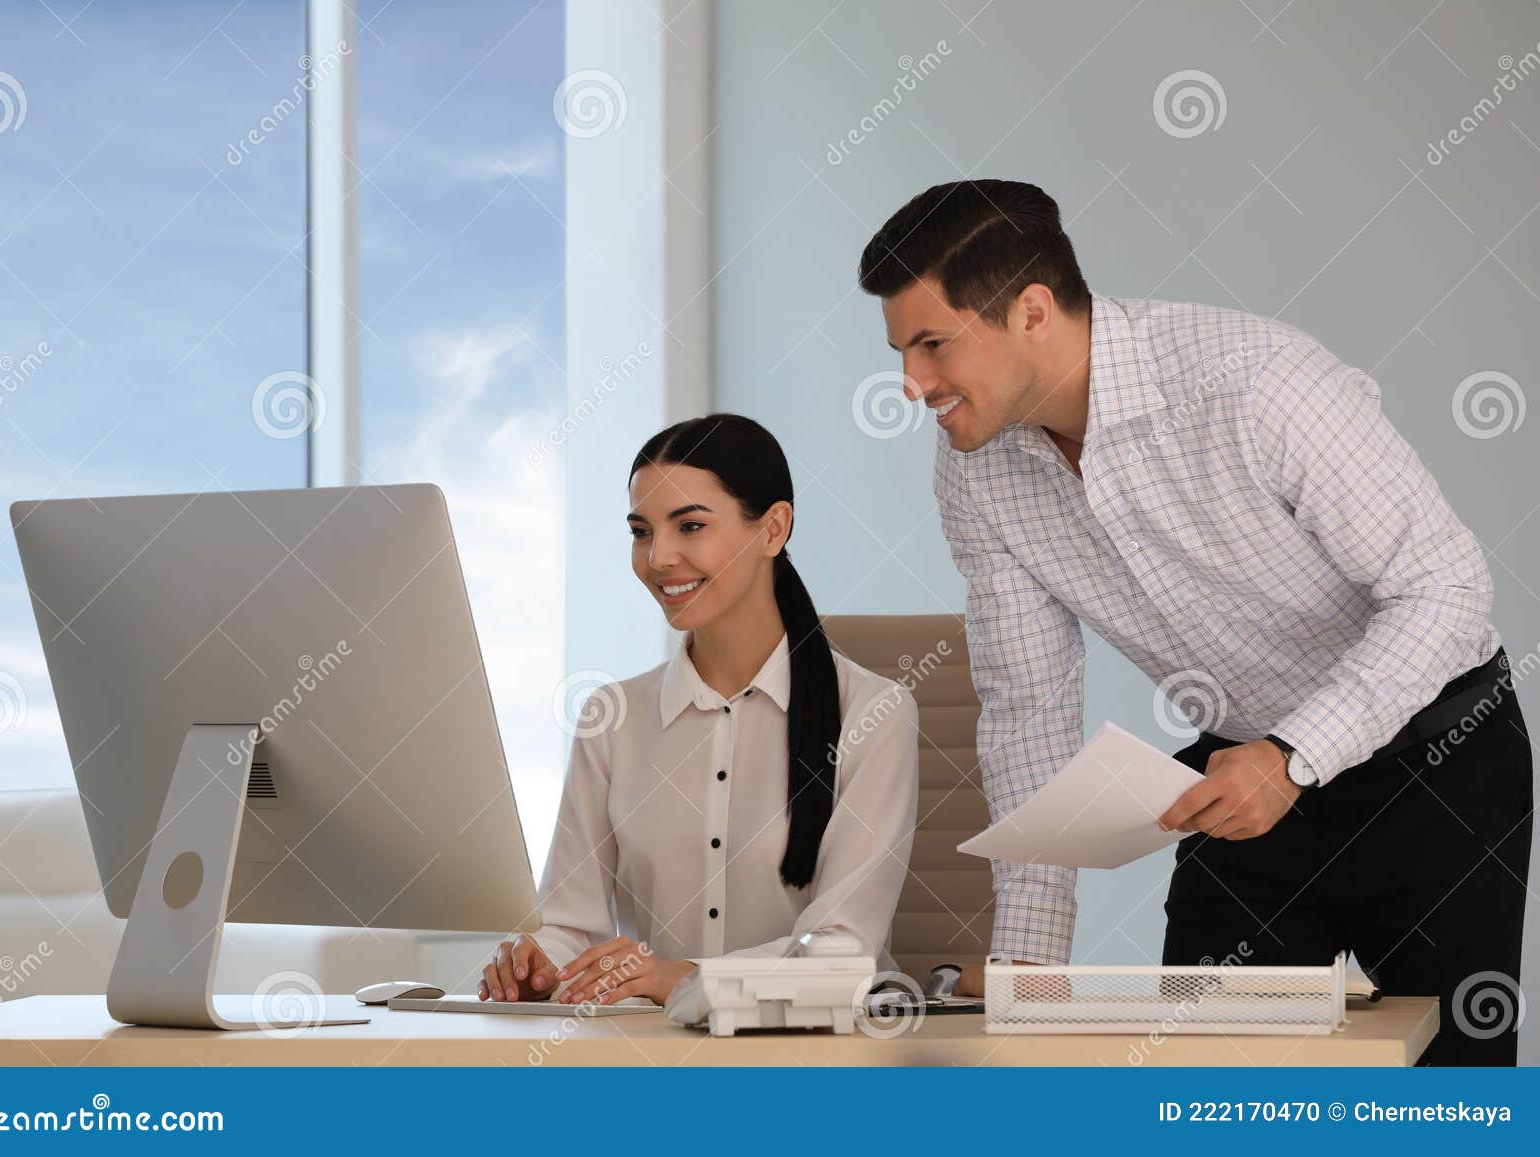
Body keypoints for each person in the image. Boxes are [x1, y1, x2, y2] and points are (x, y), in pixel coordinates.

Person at [856, 179, 1532, 1065]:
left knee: (1449, 1100)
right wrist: (1030, 963)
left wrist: (1295, 757)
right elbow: (1029, 706)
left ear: (1030, 310)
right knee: (1201, 1090)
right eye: (903, 352)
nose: (912, 384)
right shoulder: (977, 472)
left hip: (1437, 766)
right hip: (1241, 785)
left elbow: (1443, 586)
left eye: (932, 344)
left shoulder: (1256, 383)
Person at [480, 413, 919, 1007]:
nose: (659, 557)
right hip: (652, 1062)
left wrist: (682, 978)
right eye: (641, 531)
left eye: (690, 526)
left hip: (815, 1059)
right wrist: (538, 960)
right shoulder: (611, 717)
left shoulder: (875, 712)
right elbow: (571, 926)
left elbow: (842, 954)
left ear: (772, 530)